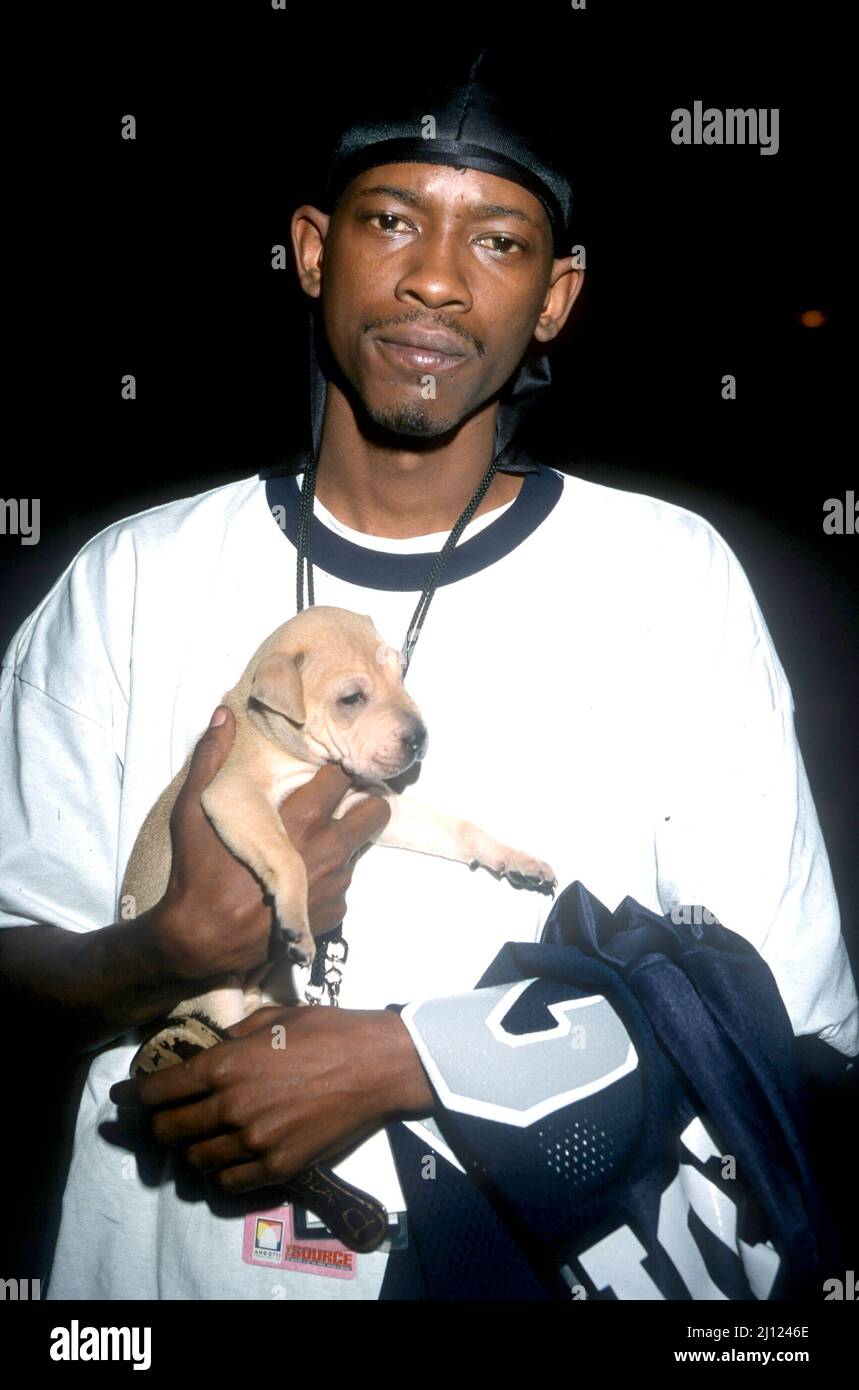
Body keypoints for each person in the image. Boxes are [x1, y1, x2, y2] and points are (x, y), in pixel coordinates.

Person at [1, 48, 856, 1302]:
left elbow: (783, 1011)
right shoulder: (130, 575)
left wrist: (414, 1058)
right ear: (310, 250)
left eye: (498, 240)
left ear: (556, 298)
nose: (438, 279)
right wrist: (165, 949)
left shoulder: (667, 575)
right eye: (392, 221)